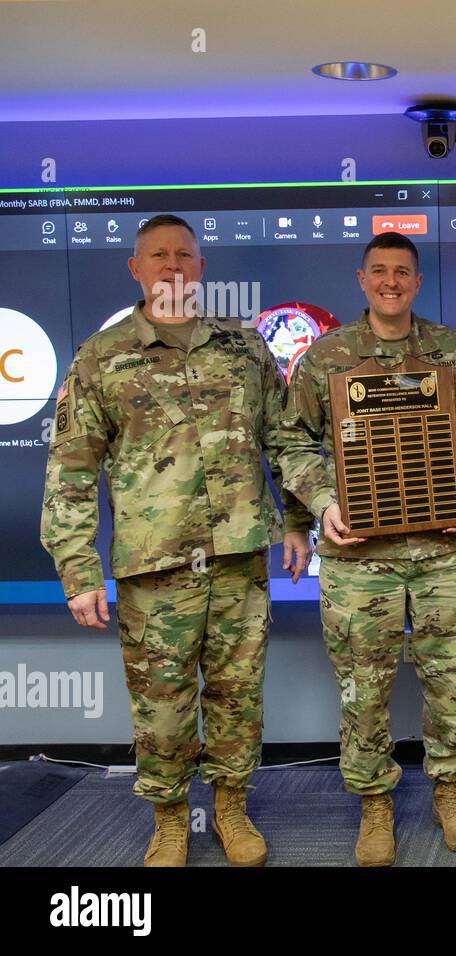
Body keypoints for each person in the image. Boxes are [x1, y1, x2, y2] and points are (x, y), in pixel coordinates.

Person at [41, 214, 313, 867]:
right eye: (157, 256)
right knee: (161, 706)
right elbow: (71, 467)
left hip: (239, 558)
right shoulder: (101, 358)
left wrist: (300, 521)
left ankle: (230, 810)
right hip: (154, 565)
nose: (171, 265)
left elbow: (286, 439)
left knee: (237, 696)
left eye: (183, 255)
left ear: (200, 265)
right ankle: (168, 821)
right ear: (136, 269)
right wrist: (77, 568)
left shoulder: (244, 348)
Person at [277, 232, 456, 866]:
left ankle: (449, 793)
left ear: (418, 281)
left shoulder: (453, 352)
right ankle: (374, 804)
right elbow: (291, 443)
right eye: (379, 271)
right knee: (362, 687)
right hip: (357, 560)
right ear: (361, 278)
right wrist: (323, 504)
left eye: (402, 272)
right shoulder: (327, 358)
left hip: (445, 550)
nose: (391, 282)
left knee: (454, 680)